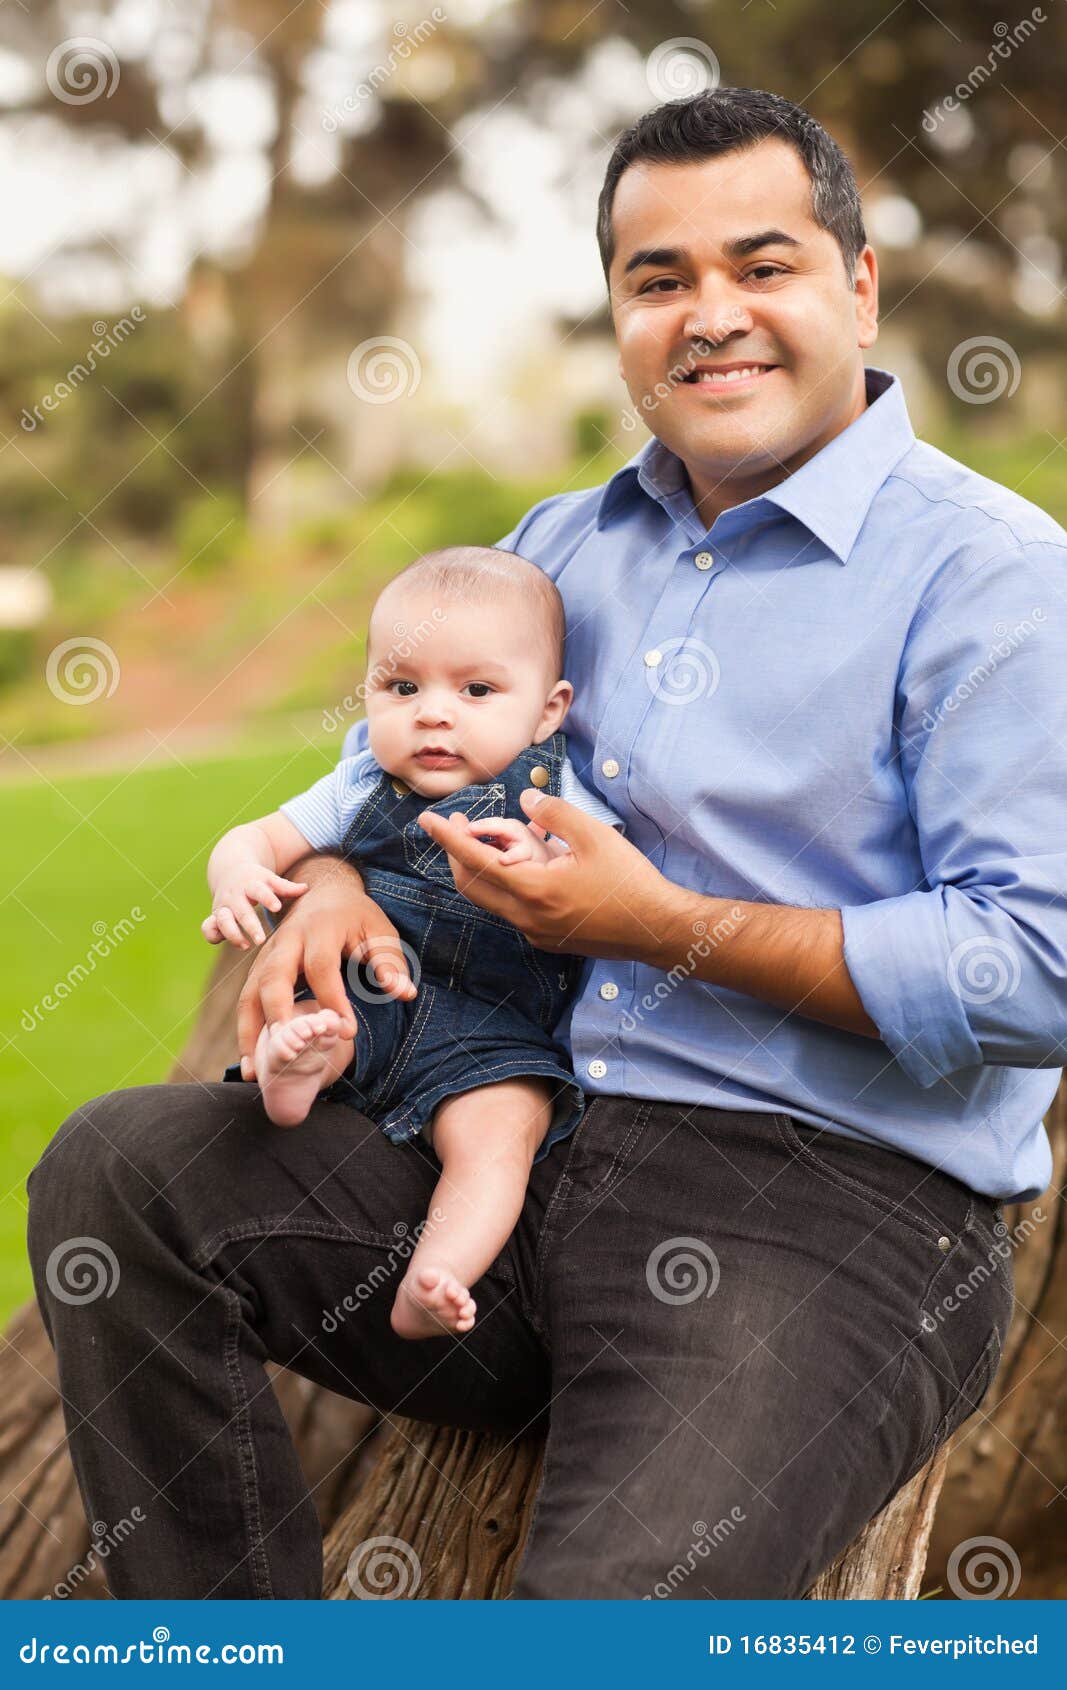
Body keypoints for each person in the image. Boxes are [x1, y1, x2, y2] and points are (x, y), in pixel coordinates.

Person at [26, 87, 1064, 1600]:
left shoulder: (993, 581)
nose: (709, 316)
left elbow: (1033, 967)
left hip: (829, 1215)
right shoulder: (557, 545)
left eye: (759, 265)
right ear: (616, 318)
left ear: (857, 285)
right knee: (122, 1176)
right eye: (658, 281)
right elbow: (383, 761)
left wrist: (657, 922)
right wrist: (323, 876)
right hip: (512, 1150)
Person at [201, 546, 620, 1340]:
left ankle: (435, 1277)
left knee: (501, 1134)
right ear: (367, 695)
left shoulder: (556, 799)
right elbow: (252, 835)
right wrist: (238, 875)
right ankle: (299, 1069)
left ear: (547, 710)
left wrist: (549, 862)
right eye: (402, 687)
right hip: (360, 992)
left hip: (488, 1036)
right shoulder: (359, 782)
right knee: (316, 1018)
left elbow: (606, 878)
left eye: (475, 690)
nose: (432, 712)